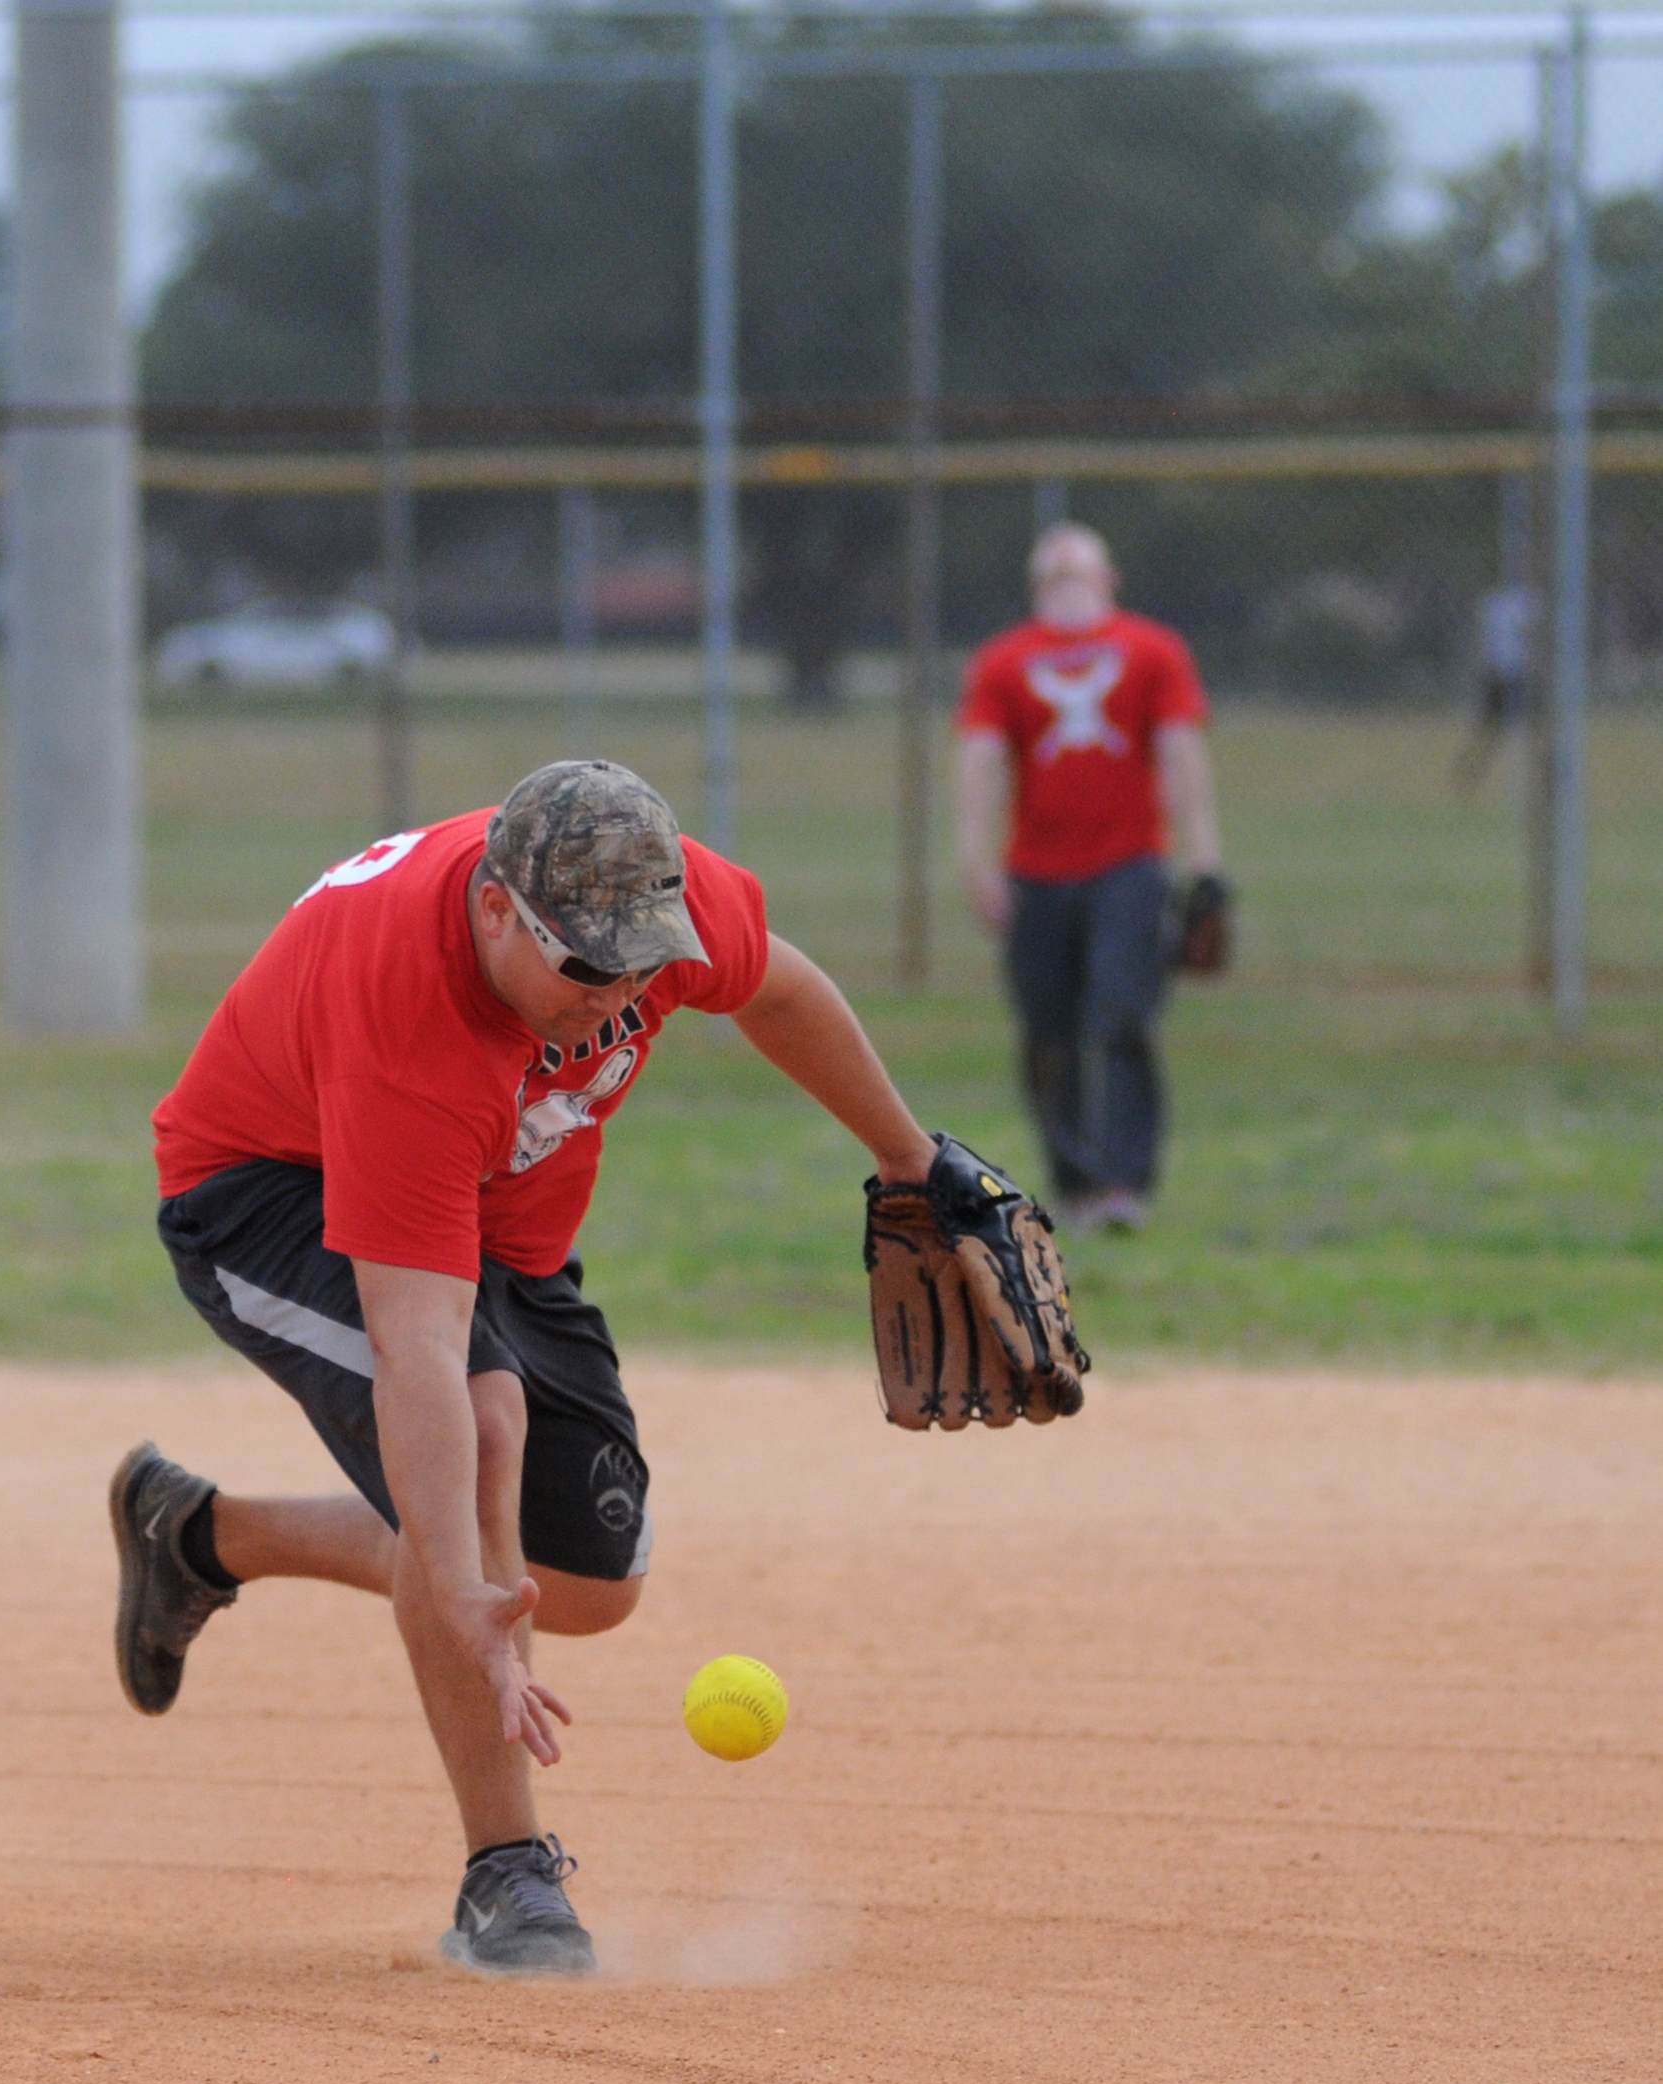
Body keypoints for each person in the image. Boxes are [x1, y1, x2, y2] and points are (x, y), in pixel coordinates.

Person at [112, 759, 945, 1976]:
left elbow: (781, 991)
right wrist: (457, 1582)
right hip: (269, 1190)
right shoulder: (408, 1019)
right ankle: (506, 1877)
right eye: (589, 966)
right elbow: (423, 1353)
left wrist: (910, 1164)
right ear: (496, 910)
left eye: (642, 962)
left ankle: (195, 1536)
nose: (620, 988)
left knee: (588, 1582)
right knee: (477, 1440)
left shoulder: (643, 891)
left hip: (503, 1210)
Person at [953, 522, 1222, 1235]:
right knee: (1047, 1030)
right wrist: (974, 859)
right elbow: (979, 761)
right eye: (1054, 569)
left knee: (1122, 1013)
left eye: (1082, 566)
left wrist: (1203, 857)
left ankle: (1123, 1184)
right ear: (1036, 584)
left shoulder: (1151, 650)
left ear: (1109, 579)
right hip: (1036, 874)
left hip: (1127, 866)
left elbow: (1179, 753)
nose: (1068, 574)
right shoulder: (1004, 661)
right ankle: (1073, 1181)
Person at [1455, 581, 1534, 797]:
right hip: (1507, 676)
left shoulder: (1494, 603)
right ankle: (1468, 776)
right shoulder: (1521, 604)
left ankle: (1469, 775)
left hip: (1506, 675)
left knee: (1497, 732)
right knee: (1494, 732)